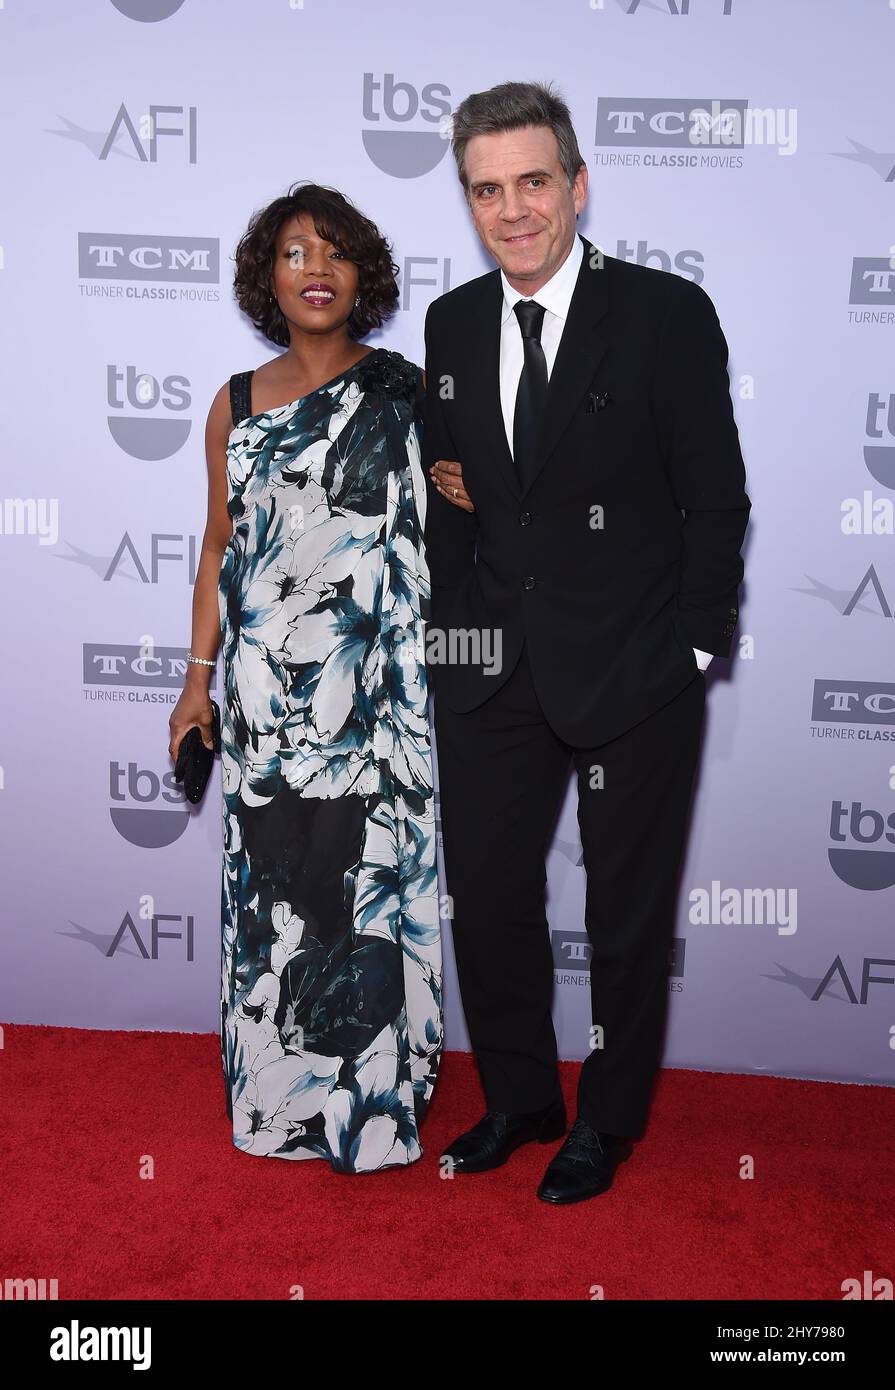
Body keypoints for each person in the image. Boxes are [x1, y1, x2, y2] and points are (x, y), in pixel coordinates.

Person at [423, 82, 751, 1204]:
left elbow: (716, 499)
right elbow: (456, 491)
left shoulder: (663, 313)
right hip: (487, 668)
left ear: (574, 183)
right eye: (485, 189)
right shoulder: (453, 322)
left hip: (633, 668)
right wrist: (447, 629)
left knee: (624, 909)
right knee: (492, 891)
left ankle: (606, 1121)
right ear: (467, 200)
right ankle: (520, 1096)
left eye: (531, 182)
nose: (512, 210)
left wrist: (693, 649)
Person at [168, 183, 442, 1173]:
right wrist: (196, 679)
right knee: (277, 901)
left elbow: (464, 514)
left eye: (334, 251)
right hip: (263, 703)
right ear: (265, 278)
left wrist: (455, 484)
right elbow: (217, 548)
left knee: (362, 898)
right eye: (293, 252)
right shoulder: (235, 404)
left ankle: (369, 1110)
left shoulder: (410, 394)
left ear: (361, 275)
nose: (315, 267)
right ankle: (277, 1103)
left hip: (370, 698)